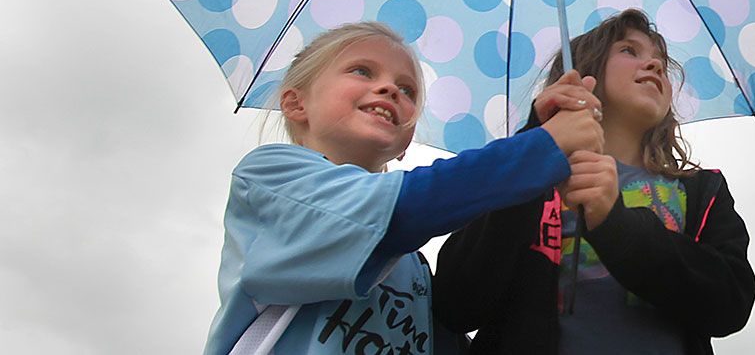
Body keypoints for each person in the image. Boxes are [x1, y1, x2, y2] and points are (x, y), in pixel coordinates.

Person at [204, 21, 604, 355]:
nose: (390, 89)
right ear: (295, 103)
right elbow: (405, 207)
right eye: (362, 71)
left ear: (405, 142)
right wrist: (542, 144)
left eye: (407, 90)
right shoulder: (272, 179)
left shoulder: (409, 263)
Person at [433, 9, 755, 355]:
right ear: (585, 71)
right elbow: (456, 302)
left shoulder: (702, 190)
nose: (656, 66)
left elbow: (730, 303)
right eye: (629, 51)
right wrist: (534, 148)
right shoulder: (527, 180)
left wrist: (616, 224)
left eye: (660, 59)